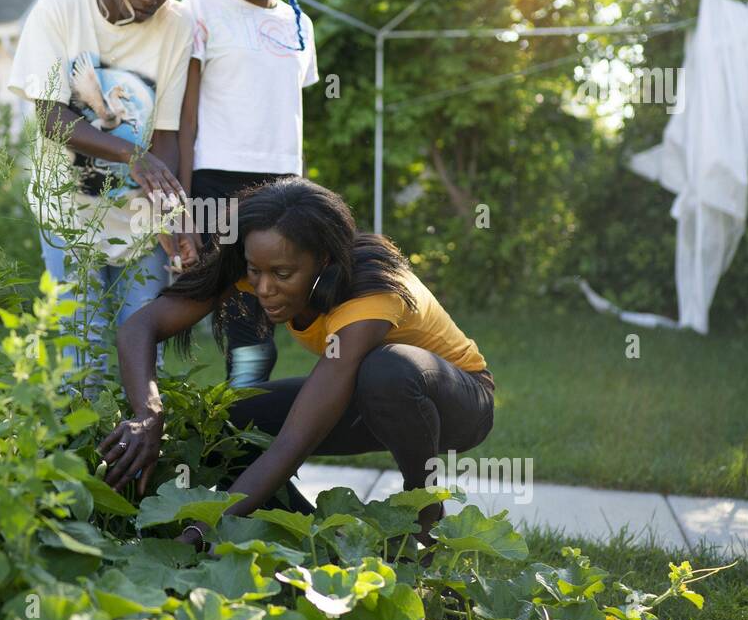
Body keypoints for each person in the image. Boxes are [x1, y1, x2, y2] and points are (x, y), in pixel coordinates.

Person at [100, 177, 496, 554]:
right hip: (365, 394)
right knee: (225, 421)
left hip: (457, 401)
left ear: (322, 260)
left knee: (385, 370)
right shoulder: (258, 261)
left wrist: (203, 529)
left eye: (282, 274)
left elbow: (294, 442)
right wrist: (147, 413)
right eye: (255, 271)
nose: (264, 288)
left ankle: (427, 519)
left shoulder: (371, 294)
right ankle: (319, 543)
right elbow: (141, 326)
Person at [7, 0, 200, 393]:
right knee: (81, 356)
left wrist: (171, 218)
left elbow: (168, 136)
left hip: (138, 218)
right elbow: (51, 116)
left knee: (144, 353)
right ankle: (81, 464)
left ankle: (139, 457)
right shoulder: (61, 7)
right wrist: (131, 156)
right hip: (68, 211)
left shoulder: (177, 27)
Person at [177, 0, 319, 387]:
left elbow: (284, 112)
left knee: (263, 319)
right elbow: (185, 112)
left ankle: (248, 436)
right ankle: (228, 436)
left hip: (282, 190)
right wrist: (181, 204)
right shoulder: (201, 8)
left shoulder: (299, 24)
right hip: (217, 182)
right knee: (231, 312)